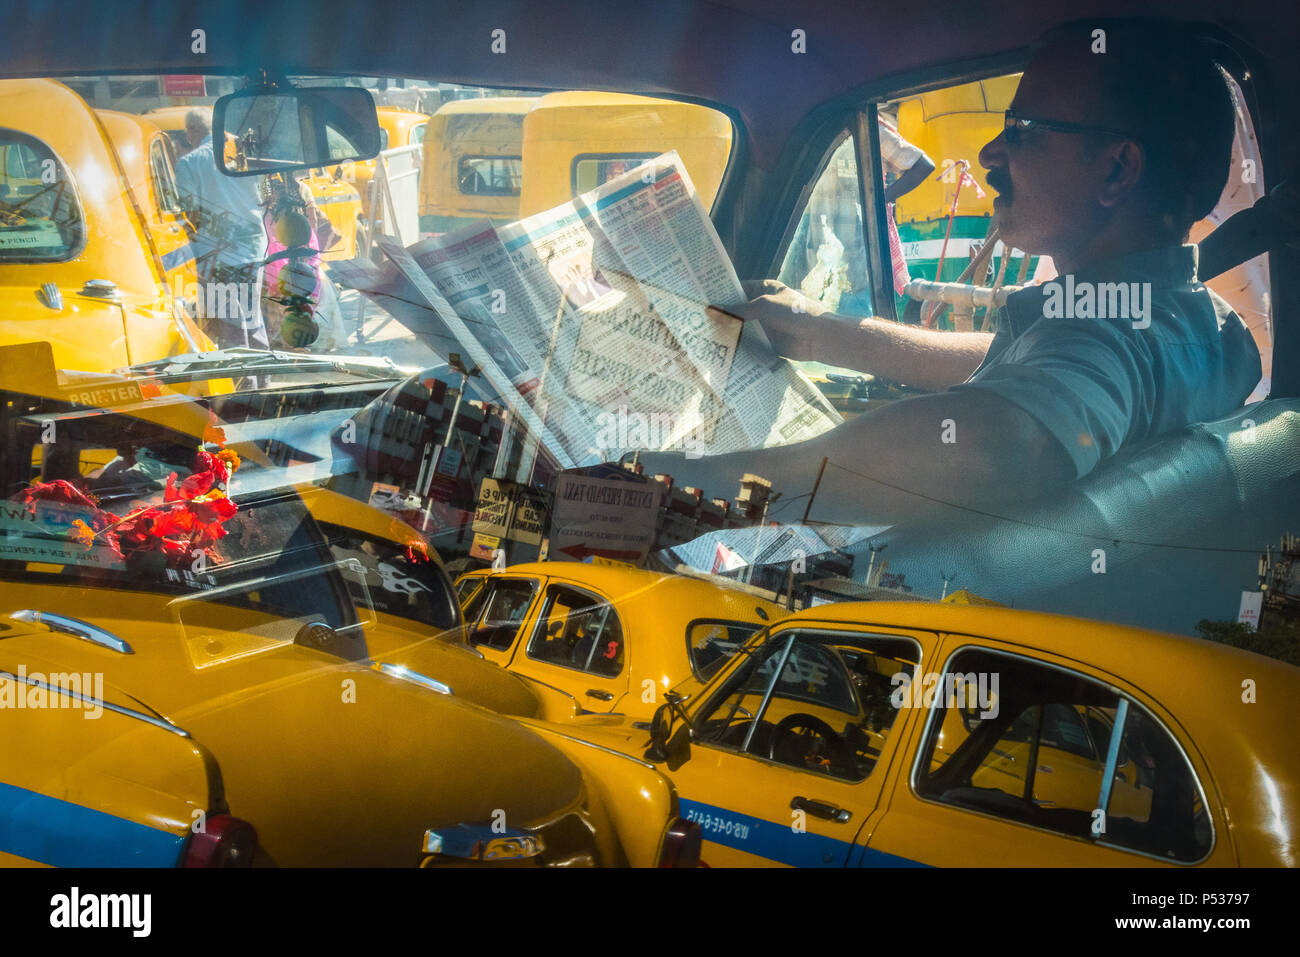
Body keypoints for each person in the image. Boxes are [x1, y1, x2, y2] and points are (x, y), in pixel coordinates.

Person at [635, 20, 1262, 526]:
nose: (991, 153)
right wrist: (821, 332)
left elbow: (1004, 445)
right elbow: (1026, 371)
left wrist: (684, 483)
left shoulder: (1103, 337)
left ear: (1118, 171)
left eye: (1023, 130)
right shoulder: (1206, 326)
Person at [174, 109, 270, 350]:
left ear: (193, 130)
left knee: (230, 328)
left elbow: (187, 210)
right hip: (253, 250)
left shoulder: (190, 162)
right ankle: (264, 379)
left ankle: (242, 382)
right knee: (252, 317)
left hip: (217, 256)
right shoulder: (242, 154)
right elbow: (261, 195)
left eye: (188, 132)